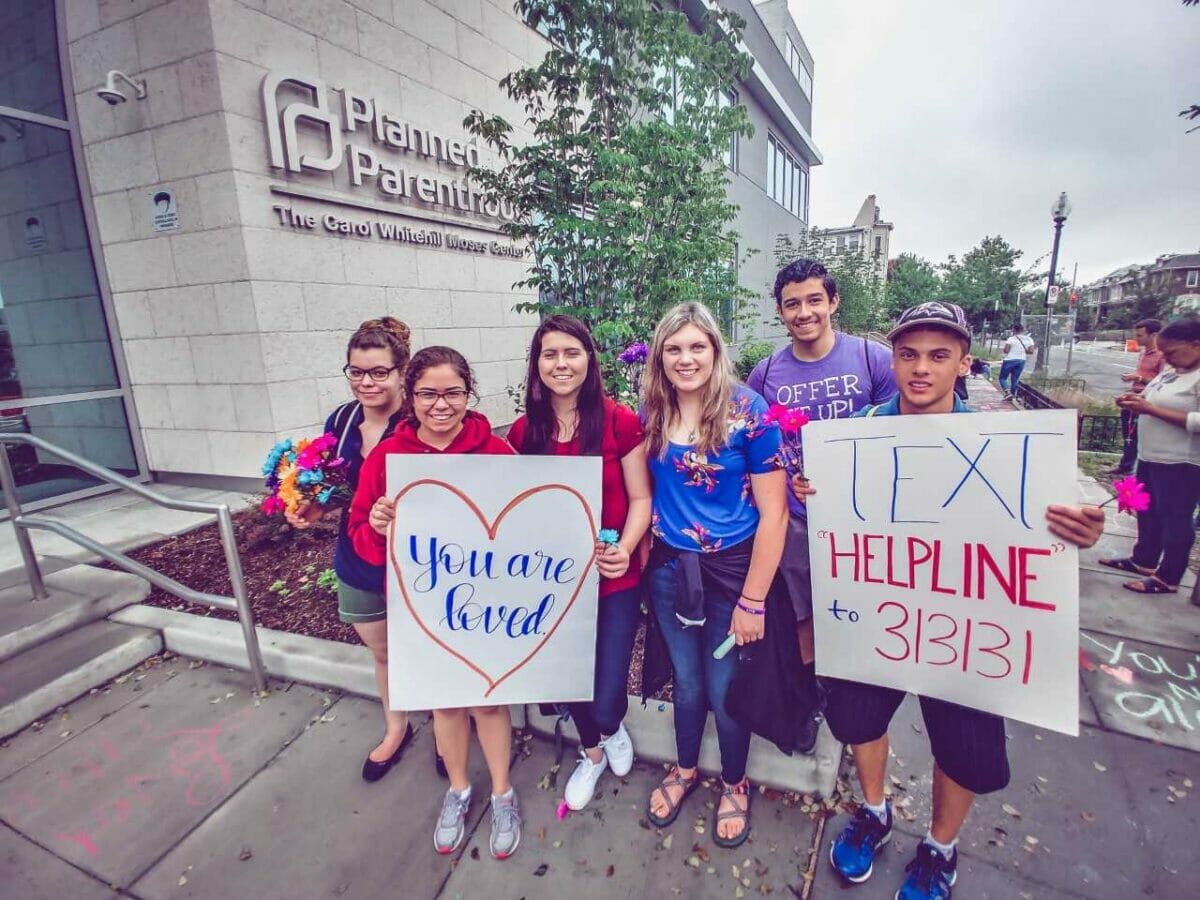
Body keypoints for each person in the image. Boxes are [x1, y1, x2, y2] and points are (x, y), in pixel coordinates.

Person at [807, 302, 1104, 899]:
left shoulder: (1007, 445)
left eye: (938, 356)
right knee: (856, 721)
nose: (921, 369)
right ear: (894, 360)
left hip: (968, 636)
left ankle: (940, 848)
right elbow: (832, 516)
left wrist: (1081, 528)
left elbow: (1055, 521)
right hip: (880, 622)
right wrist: (812, 489)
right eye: (909, 355)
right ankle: (873, 811)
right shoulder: (855, 434)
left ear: (964, 363)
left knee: (965, 753)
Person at [347, 347, 523, 859]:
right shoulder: (387, 458)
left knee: (488, 700)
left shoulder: (495, 453)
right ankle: (458, 790)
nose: (440, 404)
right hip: (422, 608)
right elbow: (360, 532)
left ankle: (503, 793)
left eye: (452, 392)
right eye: (428, 393)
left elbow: (526, 531)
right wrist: (377, 526)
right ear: (411, 396)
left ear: (469, 393)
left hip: (484, 606)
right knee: (446, 701)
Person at [642, 302, 788, 848]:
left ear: (715, 350)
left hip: (732, 572)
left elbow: (774, 513)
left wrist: (754, 601)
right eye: (674, 348)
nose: (686, 358)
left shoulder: (750, 412)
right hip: (670, 569)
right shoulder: (652, 410)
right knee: (688, 682)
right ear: (661, 355)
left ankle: (734, 781)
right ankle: (683, 769)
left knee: (726, 688)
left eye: (697, 346)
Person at [746, 258, 896, 751]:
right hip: (797, 522)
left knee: (860, 610)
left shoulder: (873, 360)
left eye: (814, 300)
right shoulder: (766, 374)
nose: (804, 312)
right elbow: (755, 442)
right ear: (780, 311)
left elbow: (902, 433)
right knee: (806, 615)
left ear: (833, 302)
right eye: (793, 303)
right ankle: (814, 697)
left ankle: (854, 690)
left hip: (861, 519)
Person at [506, 316, 652, 810]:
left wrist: (627, 547)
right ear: (537, 363)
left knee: (607, 689)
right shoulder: (526, 431)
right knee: (567, 677)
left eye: (571, 352)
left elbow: (640, 499)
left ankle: (611, 725)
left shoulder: (619, 420)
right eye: (550, 354)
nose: (561, 363)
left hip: (613, 576)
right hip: (552, 583)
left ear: (589, 359)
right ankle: (591, 752)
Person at [284, 316, 428, 782]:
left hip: (420, 560)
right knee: (383, 651)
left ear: (402, 372)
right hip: (359, 555)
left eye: (379, 372)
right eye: (356, 371)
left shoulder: (423, 418)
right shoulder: (342, 422)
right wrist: (309, 511)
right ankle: (396, 727)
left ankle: (451, 730)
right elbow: (337, 498)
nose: (366, 382)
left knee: (436, 647)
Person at [1101, 317, 1200, 596]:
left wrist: (1151, 410)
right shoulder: (1174, 371)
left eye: (1172, 352)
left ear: (1196, 345)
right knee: (1147, 512)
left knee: (1175, 519)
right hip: (1150, 455)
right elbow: (1152, 395)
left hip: (1181, 462)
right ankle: (1144, 559)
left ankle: (1168, 576)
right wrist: (1135, 400)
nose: (1167, 358)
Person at [1107, 318, 1164, 476]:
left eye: (1140, 335)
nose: (1137, 339)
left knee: (1139, 434)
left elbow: (1163, 381)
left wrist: (1139, 379)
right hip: (1134, 395)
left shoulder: (1162, 355)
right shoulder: (1143, 352)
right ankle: (1126, 464)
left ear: (1153, 335)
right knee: (1128, 433)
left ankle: (1137, 468)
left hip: (1148, 399)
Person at [997, 322, 1035, 400]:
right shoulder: (1029, 339)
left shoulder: (1011, 339)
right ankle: (1012, 395)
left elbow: (1006, 351)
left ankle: (1007, 393)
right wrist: (1023, 351)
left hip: (1009, 360)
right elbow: (1031, 351)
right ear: (1023, 330)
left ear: (1014, 330)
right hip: (1021, 360)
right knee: (1015, 378)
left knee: (1002, 378)